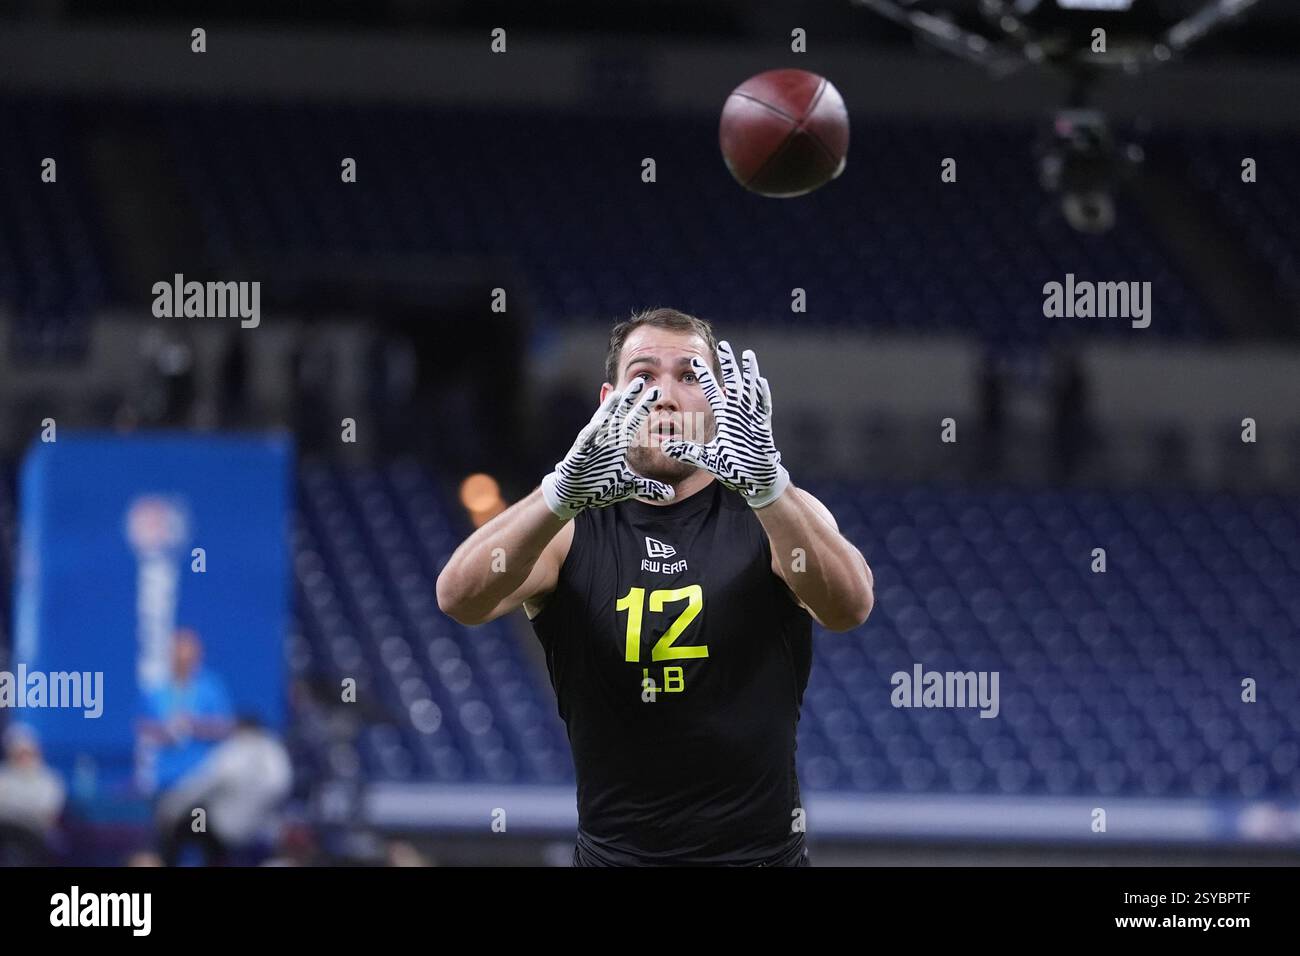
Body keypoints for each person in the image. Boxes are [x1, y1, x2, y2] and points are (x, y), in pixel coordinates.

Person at [437, 307, 874, 866]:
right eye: (643, 377)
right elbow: (458, 598)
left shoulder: (772, 511)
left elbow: (849, 606)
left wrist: (768, 487)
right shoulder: (568, 525)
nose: (665, 396)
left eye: (690, 376)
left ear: (722, 400)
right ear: (607, 402)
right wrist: (557, 494)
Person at [155, 716, 293, 866]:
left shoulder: (236, 749)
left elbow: (203, 784)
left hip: (223, 829)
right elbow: (280, 786)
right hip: (260, 830)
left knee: (190, 819)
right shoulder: (275, 751)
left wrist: (172, 807)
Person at [136, 629, 234, 838]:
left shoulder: (210, 688)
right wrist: (165, 732)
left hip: (200, 783)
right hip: (167, 781)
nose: (181, 658)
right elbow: (144, 726)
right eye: (177, 651)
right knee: (168, 841)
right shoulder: (158, 689)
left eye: (187, 652)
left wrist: (194, 726)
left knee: (197, 835)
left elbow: (224, 728)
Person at [0, 724, 66, 866]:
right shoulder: (3, 777)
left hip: (37, 835)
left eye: (27, 753)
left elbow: (47, 813)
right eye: (19, 754)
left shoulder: (50, 779)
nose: (24, 758)